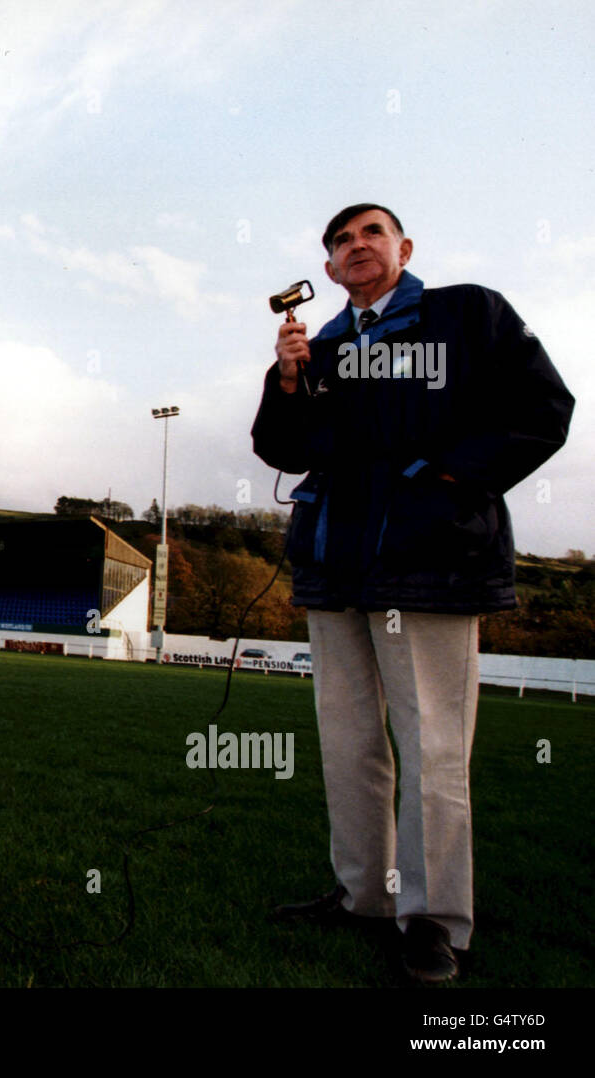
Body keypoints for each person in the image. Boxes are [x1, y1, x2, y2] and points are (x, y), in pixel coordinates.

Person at [251, 203, 573, 983]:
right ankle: (363, 893)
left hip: (431, 563)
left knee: (432, 749)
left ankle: (434, 920)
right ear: (327, 272)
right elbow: (279, 445)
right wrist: (289, 379)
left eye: (370, 233)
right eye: (339, 242)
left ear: (403, 248)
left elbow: (544, 410)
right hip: (336, 568)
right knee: (348, 742)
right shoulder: (319, 346)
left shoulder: (467, 312)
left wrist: (445, 479)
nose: (354, 246)